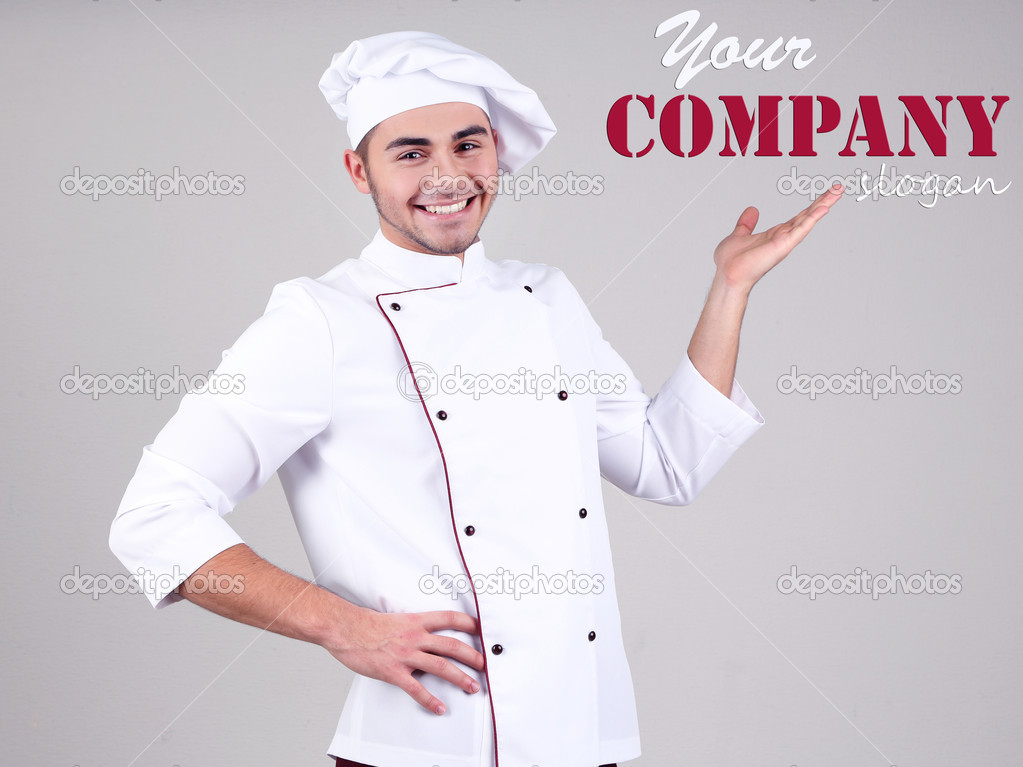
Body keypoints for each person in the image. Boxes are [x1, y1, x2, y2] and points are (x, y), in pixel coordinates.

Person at [110, 30, 840, 767]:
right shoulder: (320, 319)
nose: (447, 174)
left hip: (585, 739)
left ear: (496, 153)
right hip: (422, 747)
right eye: (410, 152)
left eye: (468, 145)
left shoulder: (546, 295)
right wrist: (343, 626)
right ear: (357, 172)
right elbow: (154, 519)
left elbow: (667, 464)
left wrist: (730, 288)